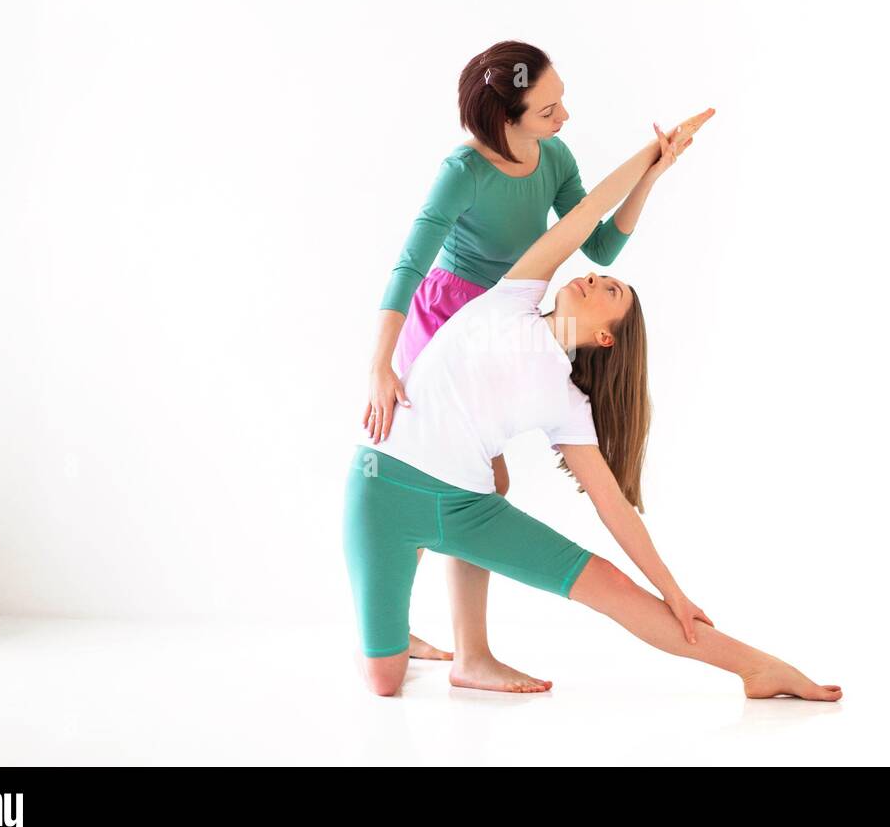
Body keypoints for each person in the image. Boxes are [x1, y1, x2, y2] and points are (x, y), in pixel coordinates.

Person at [344, 107, 844, 701]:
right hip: (381, 490)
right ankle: (397, 632)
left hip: (466, 510)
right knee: (383, 681)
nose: (594, 279)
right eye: (603, 277)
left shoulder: (567, 404)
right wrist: (653, 158)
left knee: (607, 583)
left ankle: (758, 668)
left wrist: (674, 591)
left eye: (611, 292)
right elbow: (586, 217)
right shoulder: (514, 296)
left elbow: (615, 510)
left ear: (606, 337)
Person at [363, 40, 673, 685]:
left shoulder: (554, 156)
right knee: (462, 481)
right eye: (549, 108)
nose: (564, 118)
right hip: (449, 315)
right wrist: (380, 365)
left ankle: (459, 646)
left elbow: (603, 247)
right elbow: (409, 263)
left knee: (481, 486)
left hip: (514, 307)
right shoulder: (463, 171)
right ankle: (454, 646)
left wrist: (650, 175)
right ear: (506, 117)